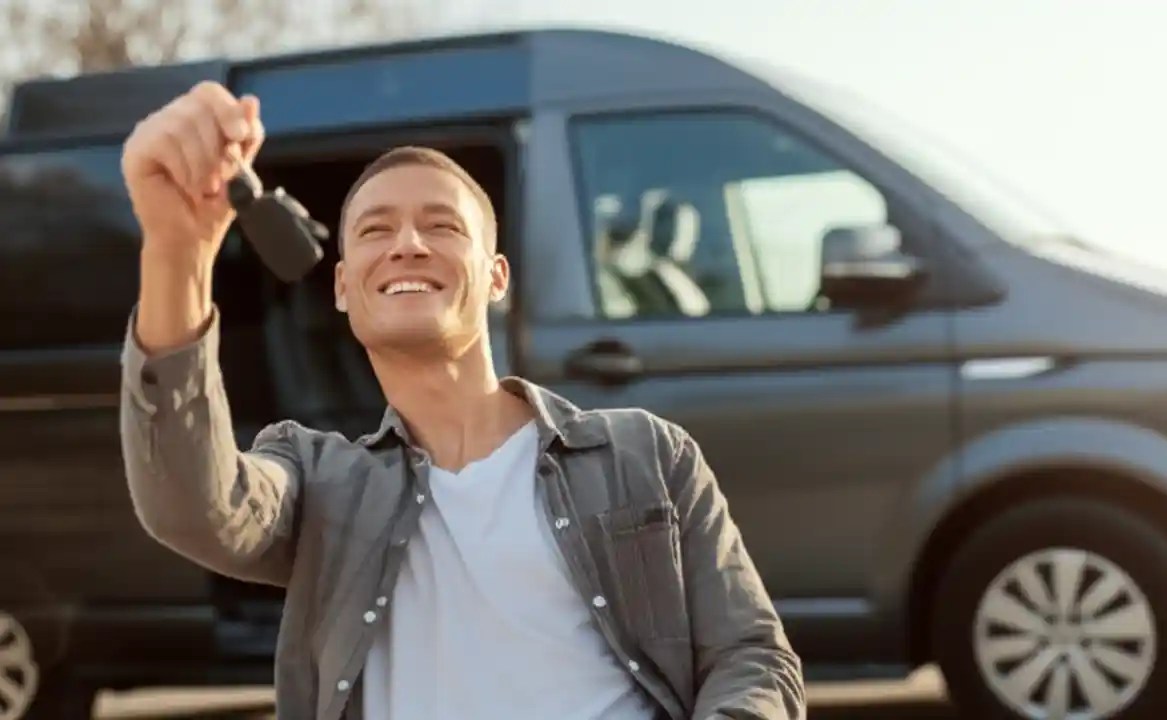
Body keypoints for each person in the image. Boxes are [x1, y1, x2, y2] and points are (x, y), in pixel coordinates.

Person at [119, 80, 804, 720]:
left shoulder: (645, 454)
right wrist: (179, 251)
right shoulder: (319, 481)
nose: (408, 245)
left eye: (442, 226)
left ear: (496, 277)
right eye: (375, 231)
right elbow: (195, 506)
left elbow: (753, 658)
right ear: (343, 288)